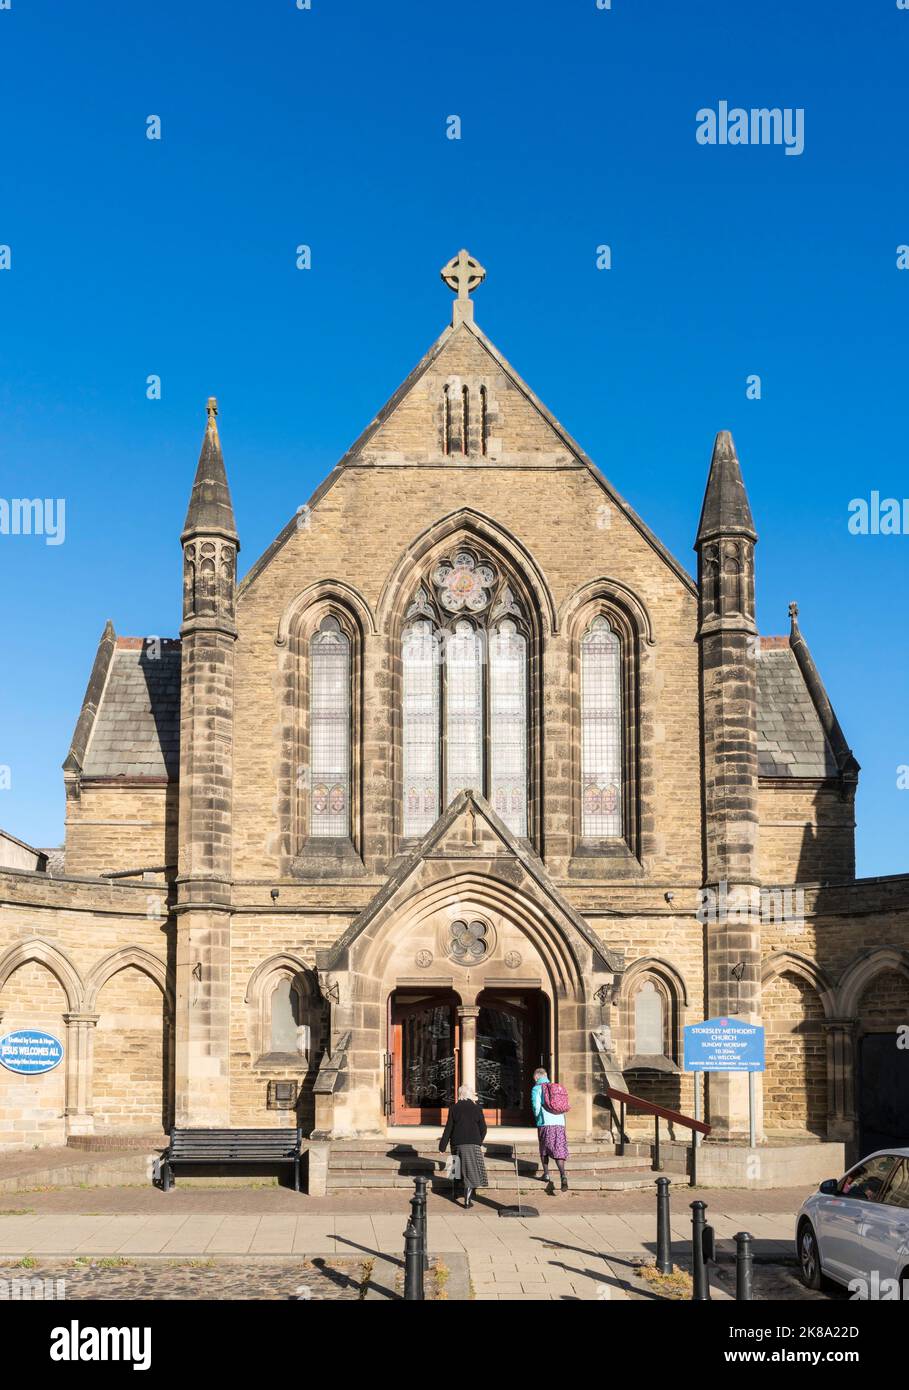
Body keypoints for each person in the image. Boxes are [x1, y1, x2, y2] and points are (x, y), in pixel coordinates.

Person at [439, 1084, 488, 1208]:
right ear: (469, 1094)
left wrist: (442, 1146)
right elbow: (483, 1129)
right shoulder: (477, 1109)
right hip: (472, 1144)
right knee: (471, 1172)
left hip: (456, 1144)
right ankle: (467, 1201)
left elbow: (448, 1128)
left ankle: (455, 1193)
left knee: (456, 1169)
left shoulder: (454, 1108)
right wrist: (478, 1142)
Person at [531, 1067, 569, 1192]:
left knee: (544, 1149)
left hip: (545, 1123)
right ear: (546, 1076)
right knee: (559, 1150)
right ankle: (563, 1174)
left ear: (536, 1077)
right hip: (560, 1123)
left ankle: (546, 1174)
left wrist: (537, 1119)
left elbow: (536, 1107)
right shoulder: (556, 1087)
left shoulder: (537, 1088)